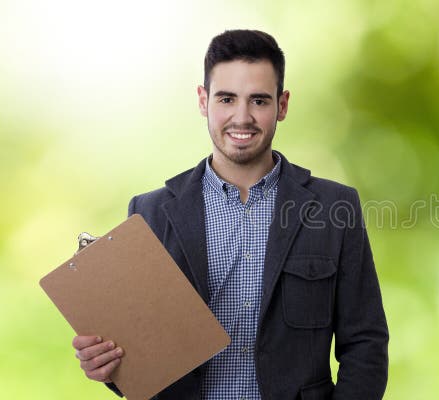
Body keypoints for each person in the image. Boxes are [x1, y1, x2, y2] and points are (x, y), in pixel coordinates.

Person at [70, 29, 389, 400]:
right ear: (203, 101)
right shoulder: (150, 213)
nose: (242, 117)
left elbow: (366, 343)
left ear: (282, 105)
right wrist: (107, 367)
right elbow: (138, 352)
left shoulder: (336, 208)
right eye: (226, 98)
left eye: (258, 100)